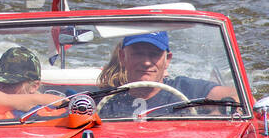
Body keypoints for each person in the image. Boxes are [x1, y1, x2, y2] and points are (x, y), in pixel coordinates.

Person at [96, 32, 239, 119]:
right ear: (122, 57)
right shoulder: (105, 102)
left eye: (154, 54)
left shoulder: (188, 90)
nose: (146, 62)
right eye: (138, 53)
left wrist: (219, 110)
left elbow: (240, 96)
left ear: (167, 60)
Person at [0, 47, 43, 119]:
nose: (2, 90)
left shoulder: (45, 113)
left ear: (34, 86)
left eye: (11, 84)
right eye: (1, 82)